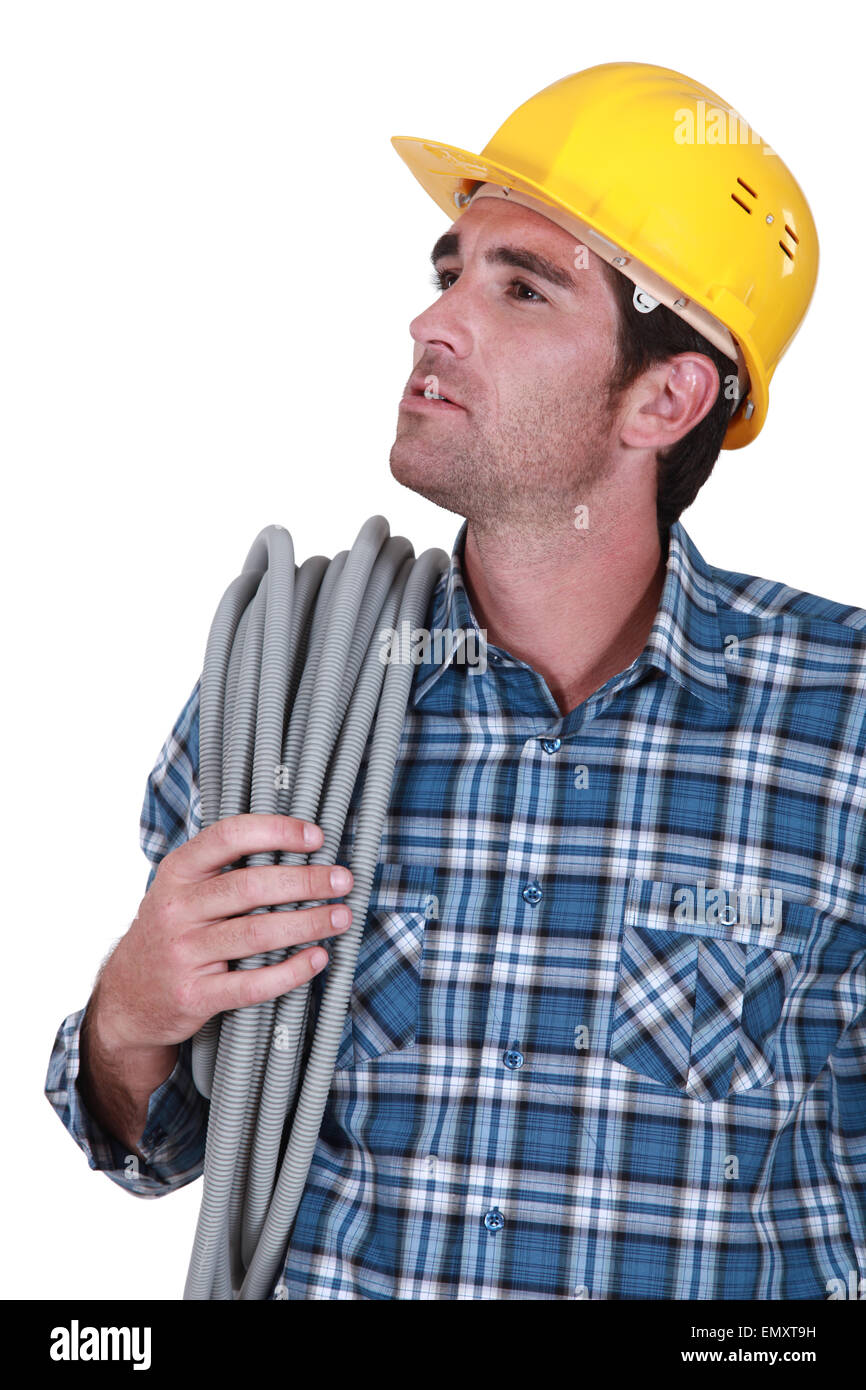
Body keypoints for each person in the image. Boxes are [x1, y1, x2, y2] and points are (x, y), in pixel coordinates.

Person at [45, 62, 866, 1300]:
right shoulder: (286, 692)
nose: (432, 323)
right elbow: (157, 1146)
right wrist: (126, 1016)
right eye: (449, 271)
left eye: (520, 286)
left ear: (664, 396)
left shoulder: (840, 722)